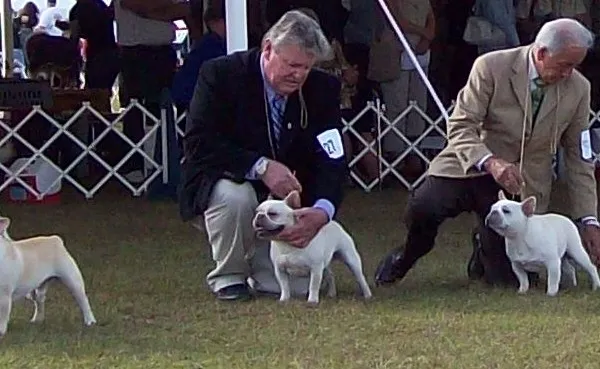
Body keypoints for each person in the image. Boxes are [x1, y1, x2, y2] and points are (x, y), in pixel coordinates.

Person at [374, 18, 600, 287]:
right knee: (424, 206)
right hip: (469, 166)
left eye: (575, 66)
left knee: (505, 283)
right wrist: (490, 162)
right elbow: (460, 125)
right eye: (565, 65)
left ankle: (485, 250)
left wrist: (588, 218)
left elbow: (579, 156)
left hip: (522, 183)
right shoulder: (491, 66)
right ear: (542, 53)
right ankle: (407, 255)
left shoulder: (580, 88)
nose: (569, 74)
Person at [179, 10, 346, 301]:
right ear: (268, 49)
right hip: (226, 185)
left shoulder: (323, 89)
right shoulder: (220, 74)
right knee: (236, 196)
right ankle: (229, 277)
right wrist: (260, 166)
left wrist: (322, 211)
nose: (299, 75)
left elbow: (332, 158)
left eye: (306, 68)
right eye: (292, 65)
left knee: (295, 290)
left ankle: (267, 267)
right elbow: (199, 142)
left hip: (284, 207)